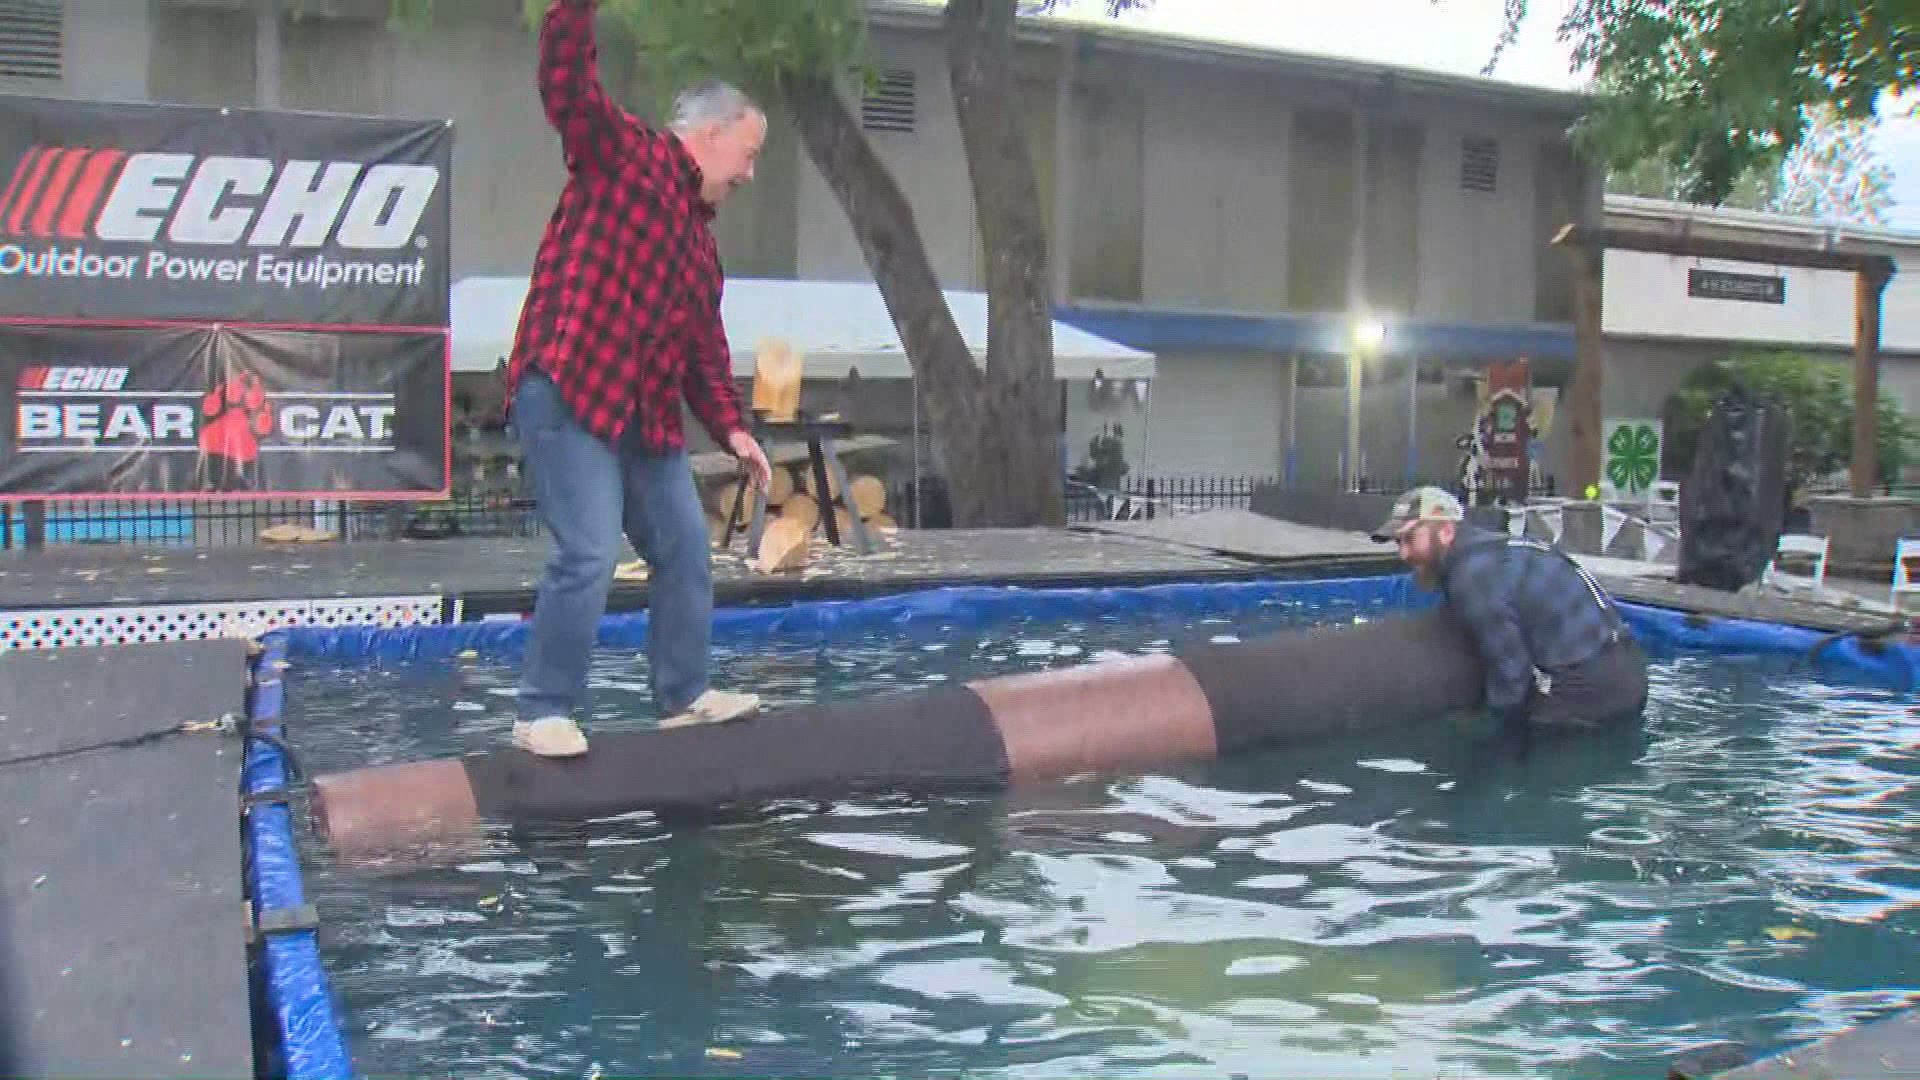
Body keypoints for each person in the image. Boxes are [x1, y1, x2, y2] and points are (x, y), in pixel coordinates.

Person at [504, 0, 774, 758]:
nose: (749, 175)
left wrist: (733, 429)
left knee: (687, 547)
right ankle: (542, 709)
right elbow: (567, 87)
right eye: (747, 155)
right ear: (710, 135)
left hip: (642, 420)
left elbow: (704, 355)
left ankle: (684, 696)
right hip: (569, 392)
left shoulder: (701, 248)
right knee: (588, 550)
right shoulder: (626, 155)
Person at [1372, 486, 1649, 753]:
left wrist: (1485, 731)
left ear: (1445, 531)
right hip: (1628, 669)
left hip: (1593, 691)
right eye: (1398, 542)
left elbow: (1511, 676)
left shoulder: (1472, 577)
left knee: (1490, 754)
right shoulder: (1498, 549)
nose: (1403, 554)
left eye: (1410, 539)